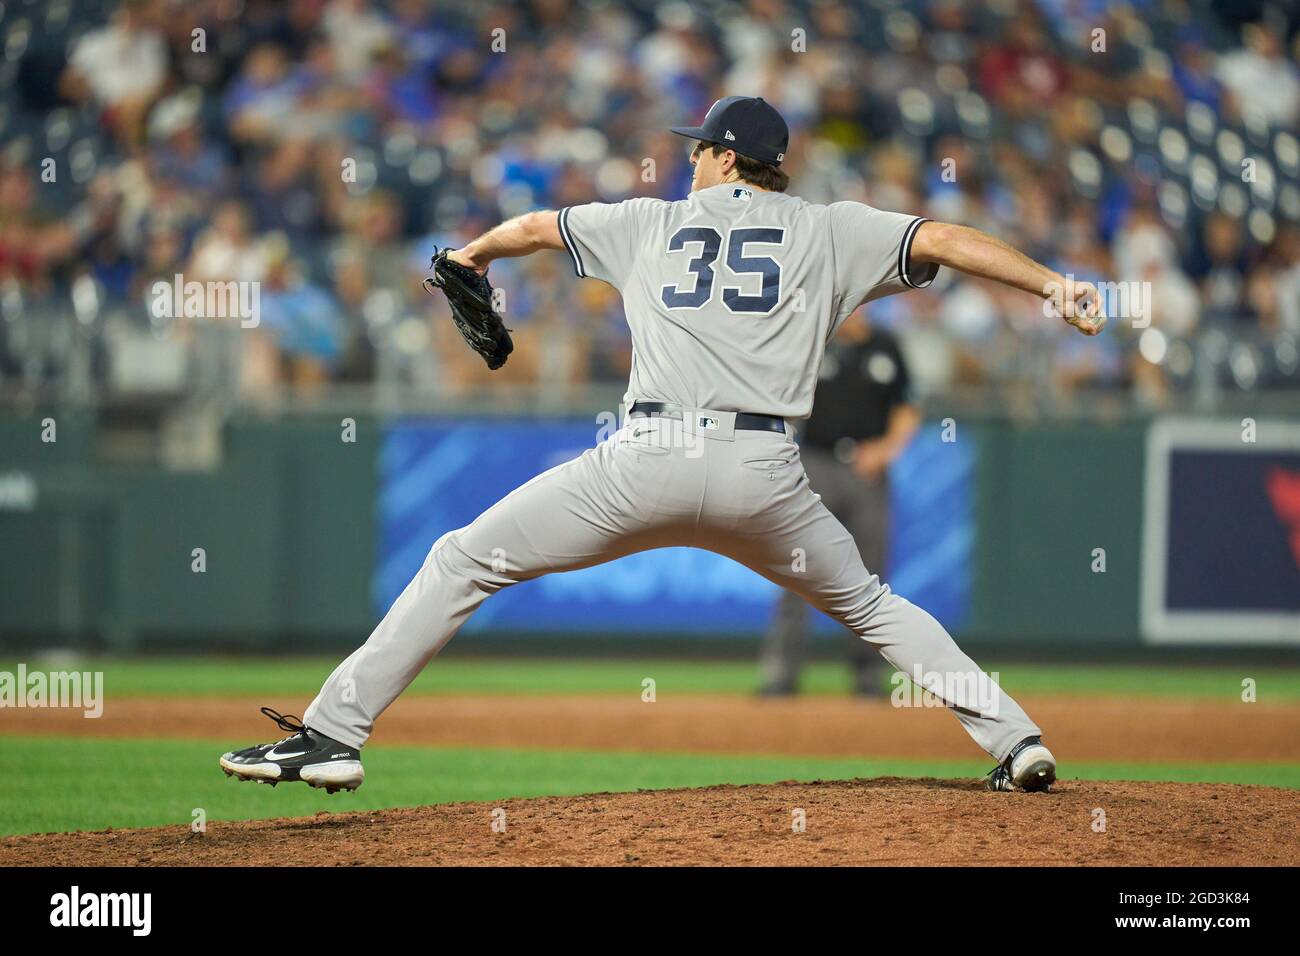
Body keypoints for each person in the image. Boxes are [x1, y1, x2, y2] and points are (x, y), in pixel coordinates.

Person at [220, 96, 1104, 794]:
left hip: (644, 461)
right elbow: (944, 240)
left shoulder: (645, 223)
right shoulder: (833, 228)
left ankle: (333, 736)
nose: (689, 159)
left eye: (698, 148)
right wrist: (1053, 285)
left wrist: (469, 255)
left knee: (462, 560)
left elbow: (528, 231)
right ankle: (1016, 739)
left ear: (724, 158)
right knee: (873, 608)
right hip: (767, 477)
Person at [759, 311, 919, 697]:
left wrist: (885, 450)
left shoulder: (885, 346)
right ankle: (782, 674)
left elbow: (908, 407)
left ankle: (867, 678)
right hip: (816, 464)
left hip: (868, 468)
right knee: (796, 567)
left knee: (869, 576)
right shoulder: (814, 342)